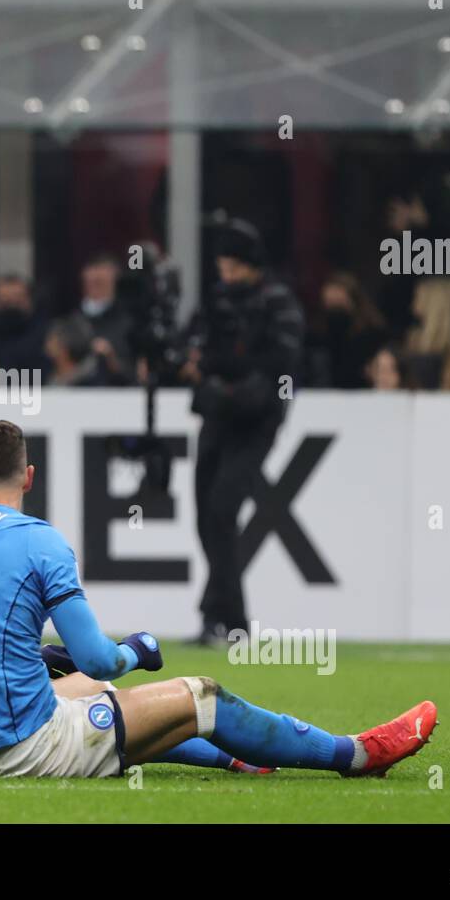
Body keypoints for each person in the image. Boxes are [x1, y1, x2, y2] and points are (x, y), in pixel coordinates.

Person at [0, 419, 437, 779]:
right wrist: (139, 648)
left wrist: (41, 661)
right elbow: (99, 656)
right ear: (28, 475)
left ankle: (239, 759)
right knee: (200, 694)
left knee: (93, 690)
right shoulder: (39, 540)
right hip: (21, 750)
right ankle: (358, 754)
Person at [181, 219, 304, 643]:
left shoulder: (278, 304)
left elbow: (277, 371)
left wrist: (223, 384)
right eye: (223, 267)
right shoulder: (216, 302)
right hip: (218, 418)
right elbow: (193, 348)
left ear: (252, 266)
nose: (227, 276)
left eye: (234, 268)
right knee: (206, 515)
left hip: (256, 423)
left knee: (221, 508)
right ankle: (223, 617)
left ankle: (224, 619)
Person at [306, 271, 387, 389]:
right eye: (331, 303)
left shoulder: (372, 332)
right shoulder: (316, 332)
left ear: (354, 300)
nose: (335, 308)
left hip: (362, 392)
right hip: (323, 392)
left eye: (339, 302)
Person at [72, 253, 134, 385]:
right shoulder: (71, 322)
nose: (94, 287)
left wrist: (112, 360)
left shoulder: (129, 323)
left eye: (100, 283)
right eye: (91, 282)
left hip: (115, 396)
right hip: (73, 396)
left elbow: (136, 375)